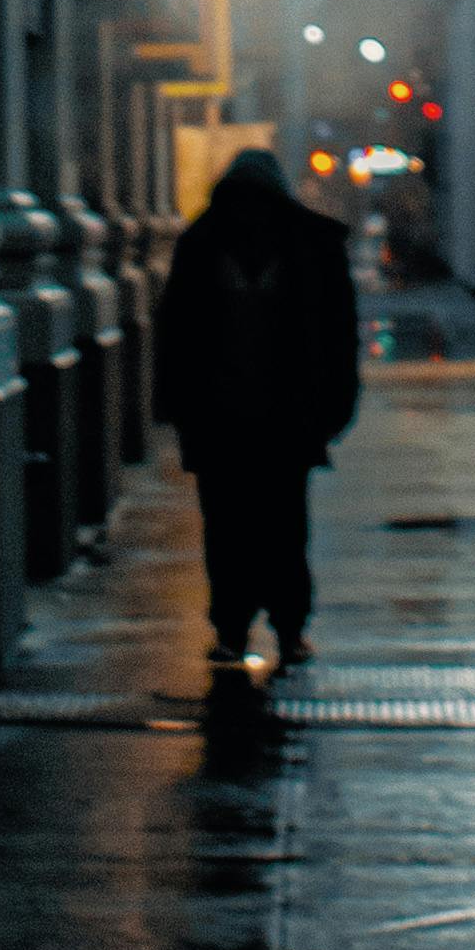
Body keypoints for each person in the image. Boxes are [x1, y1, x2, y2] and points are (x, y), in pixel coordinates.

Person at [153, 147, 360, 670]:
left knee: (233, 529)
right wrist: (336, 404)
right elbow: (339, 335)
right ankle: (280, 630)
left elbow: (174, 334)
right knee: (278, 528)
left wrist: (175, 405)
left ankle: (240, 629)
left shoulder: (204, 244)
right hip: (267, 418)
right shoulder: (306, 246)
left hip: (239, 419)